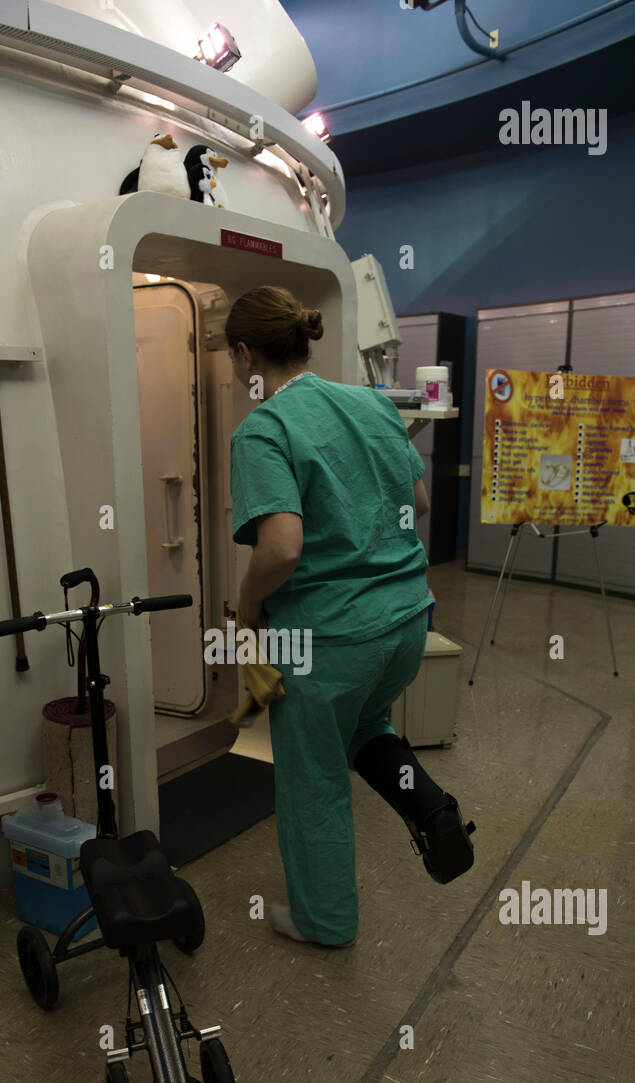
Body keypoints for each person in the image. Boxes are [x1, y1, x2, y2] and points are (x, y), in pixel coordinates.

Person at [226, 285, 475, 949]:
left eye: (230, 357)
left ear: (246, 354)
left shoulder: (262, 430)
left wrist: (245, 612)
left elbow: (280, 550)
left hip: (329, 639)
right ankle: (431, 809)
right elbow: (416, 502)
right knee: (366, 725)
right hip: (404, 623)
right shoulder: (370, 404)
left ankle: (323, 921)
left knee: (313, 784)